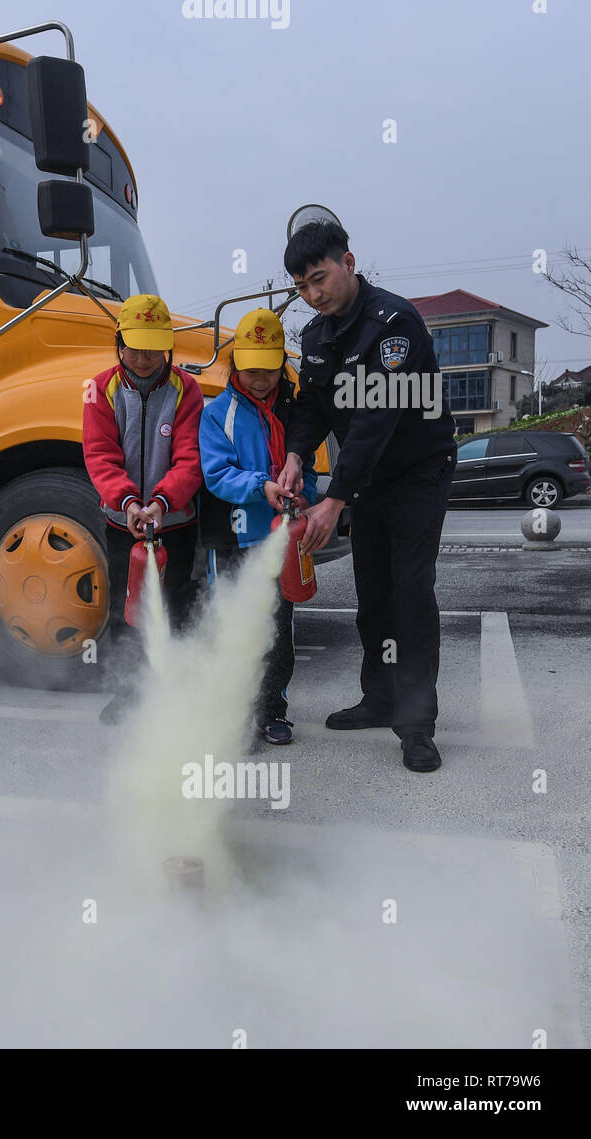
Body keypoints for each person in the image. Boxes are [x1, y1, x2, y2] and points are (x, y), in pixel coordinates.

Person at [276, 221, 457, 772]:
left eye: (320, 278)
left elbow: (378, 419)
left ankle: (417, 724)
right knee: (373, 594)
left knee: (410, 591)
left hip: (417, 474)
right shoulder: (313, 337)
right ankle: (379, 699)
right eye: (303, 287)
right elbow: (308, 408)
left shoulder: (395, 324)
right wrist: (295, 455)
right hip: (369, 481)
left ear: (348, 262)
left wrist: (335, 499)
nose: (314, 294)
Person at [83, 294, 203, 725]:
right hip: (123, 523)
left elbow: (191, 458)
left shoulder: (186, 390)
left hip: (176, 522)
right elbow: (99, 456)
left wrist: (163, 501)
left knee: (174, 605)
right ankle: (129, 691)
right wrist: (130, 503)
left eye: (155, 346)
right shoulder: (101, 389)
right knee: (125, 607)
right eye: (136, 346)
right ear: (119, 343)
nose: (146, 356)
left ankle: (173, 691)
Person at [200, 308, 317, 745]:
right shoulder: (217, 414)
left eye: (270, 369)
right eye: (251, 370)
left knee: (277, 629)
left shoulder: (295, 412)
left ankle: (271, 710)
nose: (261, 379)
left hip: (280, 540)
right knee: (232, 628)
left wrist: (306, 493)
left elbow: (310, 468)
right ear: (235, 366)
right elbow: (216, 474)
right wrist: (262, 485)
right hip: (231, 539)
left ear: (281, 365)